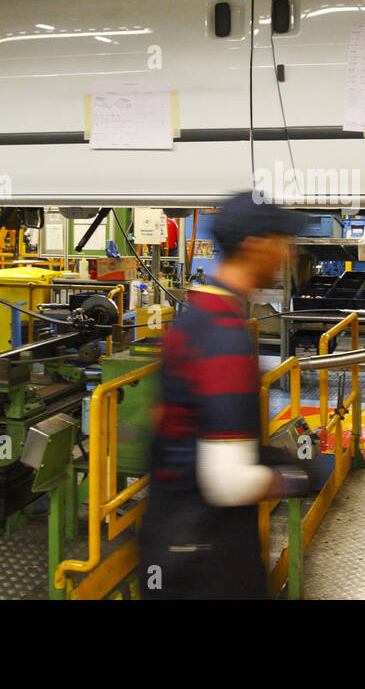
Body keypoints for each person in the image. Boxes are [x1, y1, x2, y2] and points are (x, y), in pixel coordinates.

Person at [137, 191, 329, 599]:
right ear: (256, 246)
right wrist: (296, 476)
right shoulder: (223, 336)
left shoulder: (198, 315)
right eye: (281, 242)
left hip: (172, 534)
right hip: (204, 558)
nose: (287, 255)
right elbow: (228, 482)